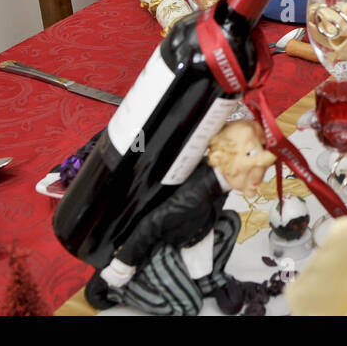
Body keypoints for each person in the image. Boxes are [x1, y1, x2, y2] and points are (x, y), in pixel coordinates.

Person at [85, 118, 278, 315]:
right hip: (157, 250)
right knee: (188, 307)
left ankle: (208, 279)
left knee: (230, 222)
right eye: (250, 153)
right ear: (227, 156)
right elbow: (148, 226)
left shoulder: (223, 178)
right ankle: (120, 291)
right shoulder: (192, 197)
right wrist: (121, 268)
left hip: (188, 237)